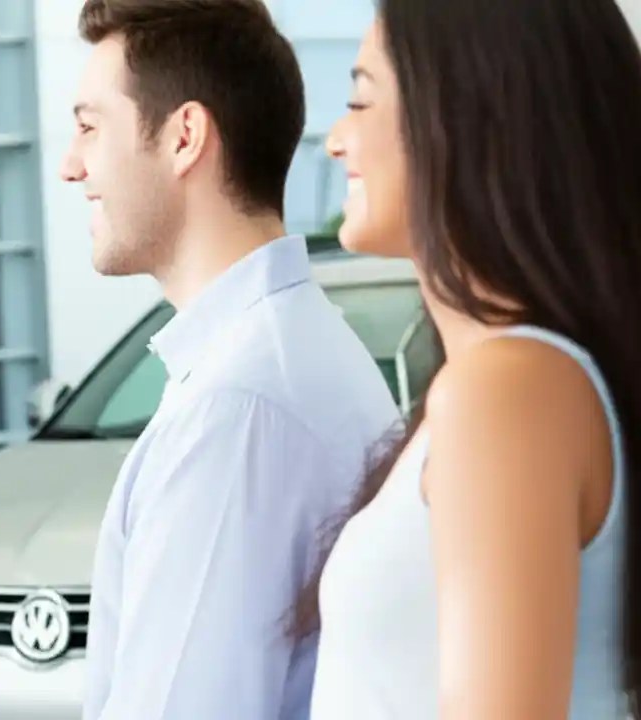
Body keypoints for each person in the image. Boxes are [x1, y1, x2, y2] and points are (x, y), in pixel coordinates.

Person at [60, 1, 400, 717]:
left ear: (185, 137)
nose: (70, 165)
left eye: (89, 127)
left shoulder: (238, 408)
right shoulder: (267, 360)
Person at [303, 0, 641, 718]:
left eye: (360, 98)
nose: (336, 140)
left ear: (469, 119)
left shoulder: (507, 391)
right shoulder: (508, 385)